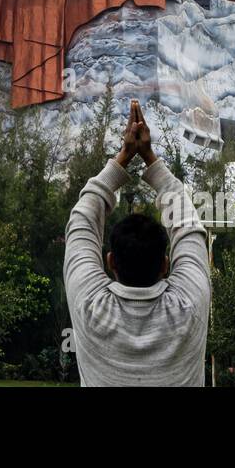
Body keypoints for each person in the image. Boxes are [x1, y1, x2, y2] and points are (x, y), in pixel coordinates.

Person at [64, 99, 211, 386]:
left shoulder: (90, 306)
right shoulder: (189, 306)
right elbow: (189, 228)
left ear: (111, 263)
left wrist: (125, 155)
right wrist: (149, 157)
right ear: (165, 265)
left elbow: (81, 221)